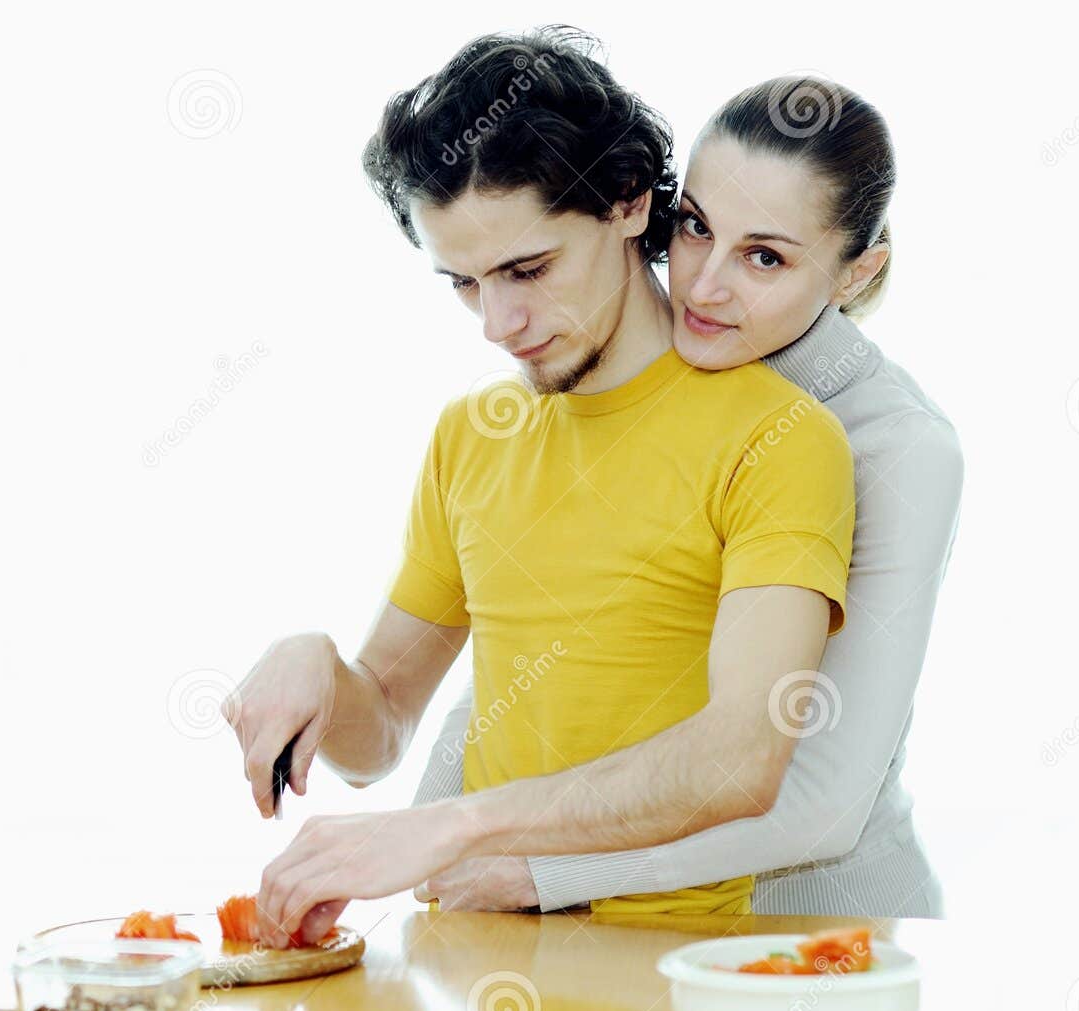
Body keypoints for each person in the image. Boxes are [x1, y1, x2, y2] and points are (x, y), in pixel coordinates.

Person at [222, 27, 861, 948]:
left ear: (630, 203)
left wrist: (452, 825)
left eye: (528, 270)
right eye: (465, 283)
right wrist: (318, 665)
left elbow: (739, 759)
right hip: (478, 960)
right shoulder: (470, 438)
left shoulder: (779, 438)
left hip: (670, 967)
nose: (497, 322)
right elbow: (382, 729)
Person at [411, 76, 963, 920]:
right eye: (696, 227)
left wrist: (534, 873)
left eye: (765, 256)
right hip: (633, 943)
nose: (703, 287)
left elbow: (819, 795)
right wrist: (418, 850)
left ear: (857, 273)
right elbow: (515, 674)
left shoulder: (897, 449)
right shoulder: (613, 381)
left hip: (821, 937)